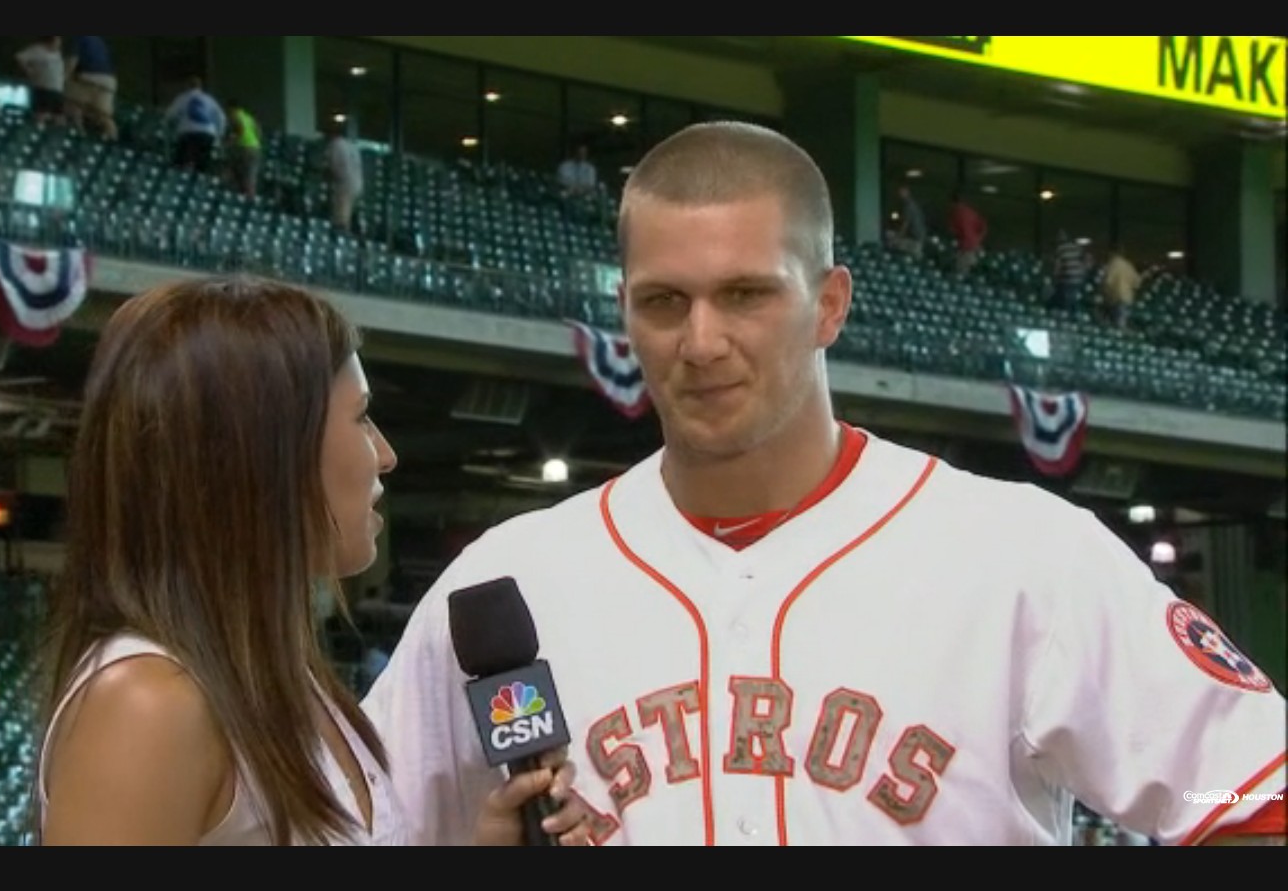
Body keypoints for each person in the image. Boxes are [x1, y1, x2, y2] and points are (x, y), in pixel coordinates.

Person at [362, 122, 1287, 847]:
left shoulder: (1021, 557)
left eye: (746, 294)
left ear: (830, 305)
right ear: (627, 315)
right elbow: (354, 825)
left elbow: (1250, 788)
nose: (702, 342)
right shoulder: (507, 581)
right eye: (663, 302)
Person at [33, 276, 595, 846]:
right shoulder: (147, 704)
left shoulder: (288, 683)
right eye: (361, 418)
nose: (386, 454)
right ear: (266, 453)